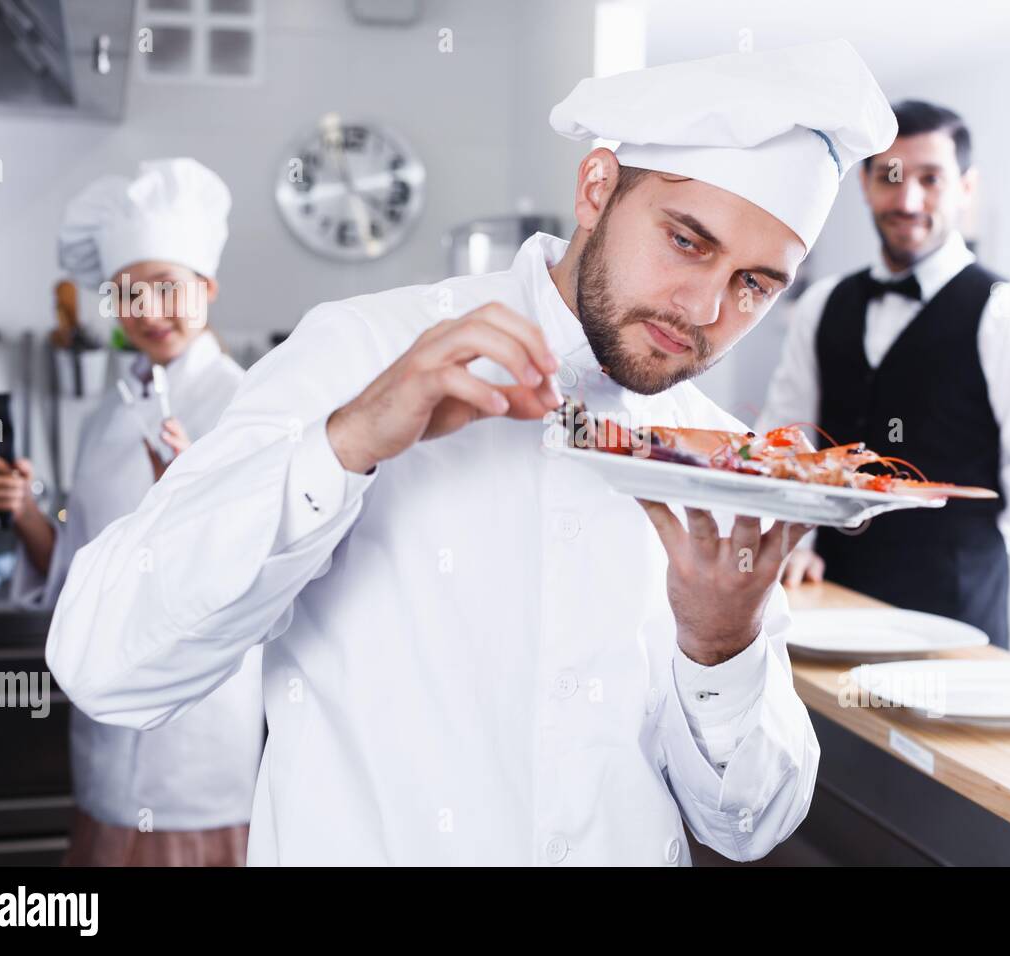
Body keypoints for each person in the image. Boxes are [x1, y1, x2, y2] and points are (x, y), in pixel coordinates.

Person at [45, 42, 897, 865]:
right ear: (596, 187)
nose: (709, 308)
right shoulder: (363, 350)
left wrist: (722, 645)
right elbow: (104, 664)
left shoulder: (732, 459)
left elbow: (750, 828)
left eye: (755, 284)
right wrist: (344, 445)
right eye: (688, 241)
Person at [0, 158, 264, 865]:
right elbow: (81, 575)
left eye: (166, 289)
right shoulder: (107, 413)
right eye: (127, 295)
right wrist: (25, 513)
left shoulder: (246, 402)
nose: (149, 312)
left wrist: (187, 502)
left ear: (207, 289)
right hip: (105, 736)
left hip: (199, 736)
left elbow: (261, 572)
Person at [758, 100, 1010, 650]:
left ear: (965, 187)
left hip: (953, 615)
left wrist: (956, 542)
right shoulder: (821, 304)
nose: (908, 199)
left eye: (931, 179)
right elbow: (786, 439)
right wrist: (799, 539)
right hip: (826, 601)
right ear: (863, 184)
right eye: (890, 177)